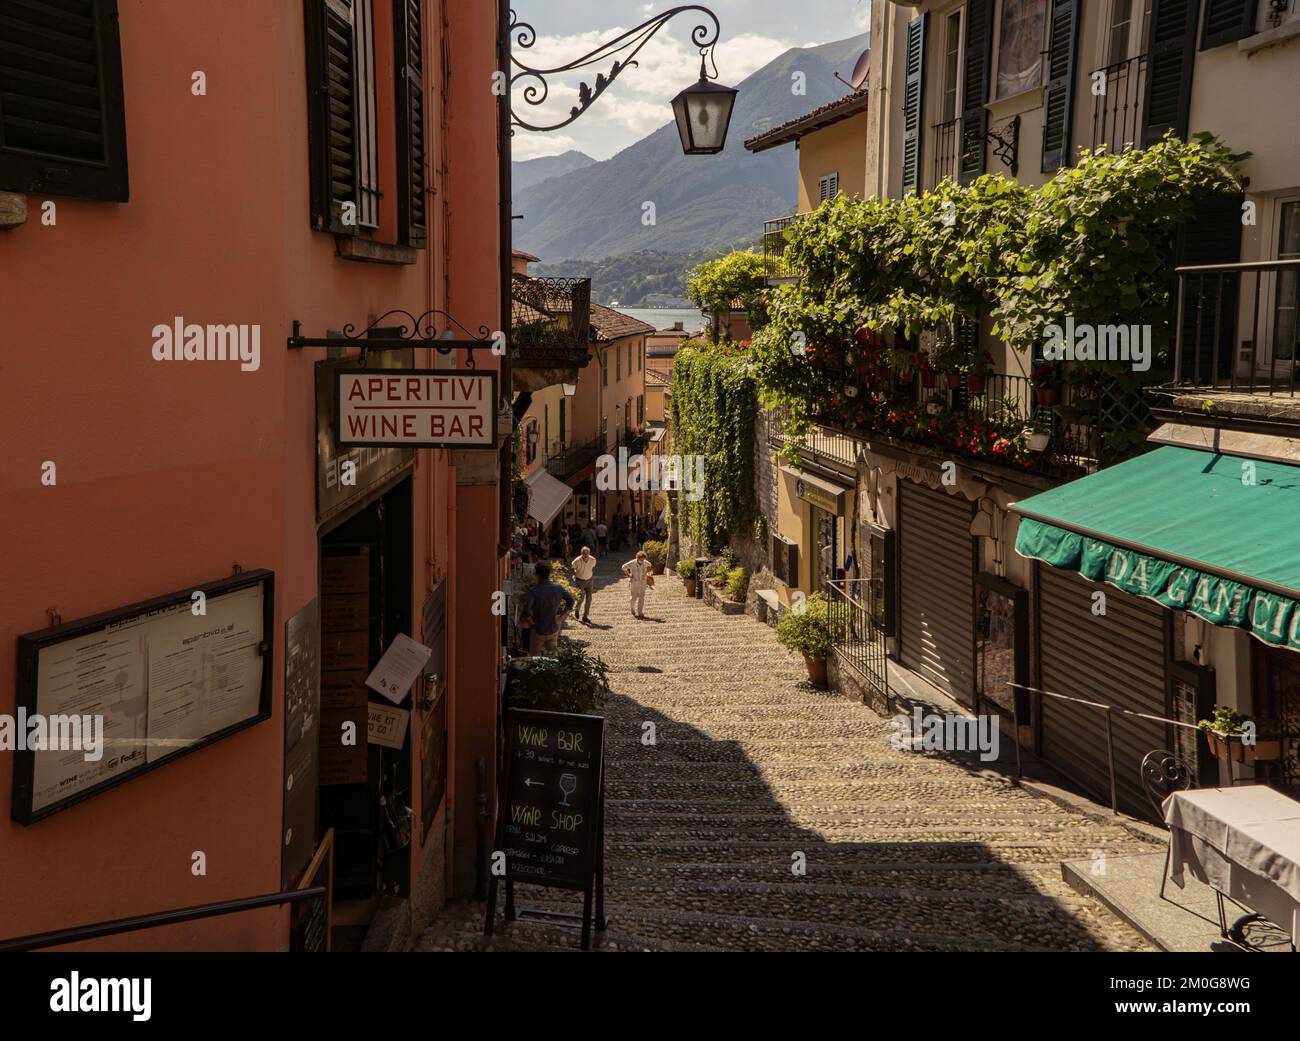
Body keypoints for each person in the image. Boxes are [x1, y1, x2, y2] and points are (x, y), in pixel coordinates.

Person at [520, 560, 573, 657]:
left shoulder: (534, 591)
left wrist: (530, 620)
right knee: (553, 658)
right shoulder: (558, 588)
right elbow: (571, 601)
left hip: (538, 629)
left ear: (537, 575)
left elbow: (527, 609)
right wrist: (561, 617)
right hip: (553, 628)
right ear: (549, 574)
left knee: (534, 658)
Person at [570, 545, 597, 623]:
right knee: (581, 598)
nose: (585, 555)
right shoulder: (577, 560)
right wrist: (574, 573)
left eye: (587, 553)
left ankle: (585, 616)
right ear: (581, 553)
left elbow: (592, 568)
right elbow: (573, 567)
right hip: (579, 581)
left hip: (589, 580)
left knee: (589, 599)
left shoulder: (593, 560)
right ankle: (577, 609)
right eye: (584, 553)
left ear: (589, 553)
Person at [622, 550, 652, 619]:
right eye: (640, 560)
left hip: (643, 582)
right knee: (633, 598)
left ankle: (640, 612)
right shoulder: (632, 563)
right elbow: (623, 567)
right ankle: (632, 609)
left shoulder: (646, 562)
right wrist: (628, 574)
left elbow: (650, 566)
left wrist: (646, 573)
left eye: (643, 559)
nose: (642, 561)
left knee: (642, 598)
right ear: (637, 558)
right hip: (634, 582)